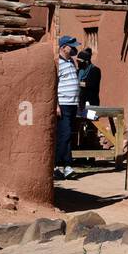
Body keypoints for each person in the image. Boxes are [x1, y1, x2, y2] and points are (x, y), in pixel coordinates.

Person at [55, 35, 81, 180]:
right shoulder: (57, 62)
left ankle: (67, 166)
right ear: (63, 47)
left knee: (68, 135)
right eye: (71, 46)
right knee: (63, 135)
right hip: (63, 104)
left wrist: (79, 102)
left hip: (72, 104)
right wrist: (56, 105)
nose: (73, 48)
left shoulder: (71, 61)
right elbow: (54, 85)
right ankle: (58, 165)